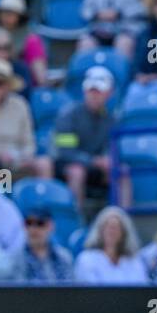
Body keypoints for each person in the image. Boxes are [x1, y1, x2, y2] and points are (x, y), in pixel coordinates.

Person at [53, 68, 115, 214]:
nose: (94, 95)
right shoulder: (69, 115)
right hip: (66, 165)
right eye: (91, 91)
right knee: (77, 172)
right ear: (84, 91)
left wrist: (107, 160)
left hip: (96, 168)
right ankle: (76, 221)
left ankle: (121, 217)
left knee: (120, 170)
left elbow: (110, 147)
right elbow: (65, 152)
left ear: (109, 94)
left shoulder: (112, 119)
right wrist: (93, 161)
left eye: (99, 91)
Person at [73, 205, 148, 284]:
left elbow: (141, 289)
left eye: (116, 227)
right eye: (108, 227)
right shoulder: (86, 259)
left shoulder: (135, 261)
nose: (111, 231)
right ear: (100, 231)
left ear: (124, 233)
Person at [15, 206, 75, 282]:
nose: (33, 229)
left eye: (40, 223)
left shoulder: (64, 257)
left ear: (51, 226)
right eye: (28, 223)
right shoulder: (15, 258)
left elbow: (70, 289)